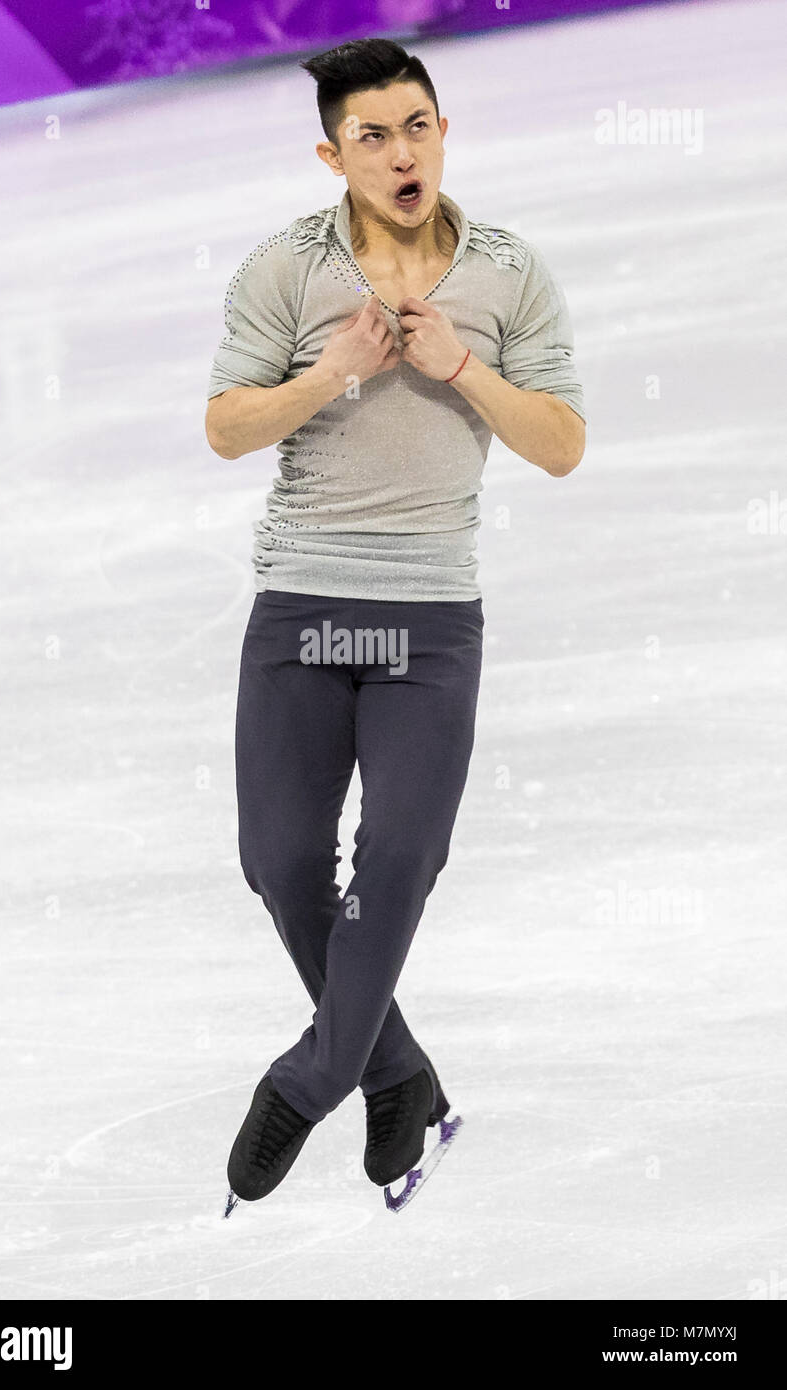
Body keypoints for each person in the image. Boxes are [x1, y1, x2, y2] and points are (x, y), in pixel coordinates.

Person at [204, 37, 587, 1210]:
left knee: (400, 858)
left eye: (415, 126)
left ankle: (312, 1075)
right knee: (280, 862)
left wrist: (461, 366)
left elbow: (560, 445)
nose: (399, 153)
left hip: (426, 617)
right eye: (370, 137)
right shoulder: (284, 267)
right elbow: (225, 427)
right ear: (334, 156)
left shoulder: (508, 273)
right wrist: (330, 374)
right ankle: (395, 1069)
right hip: (304, 604)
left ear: (442, 131)